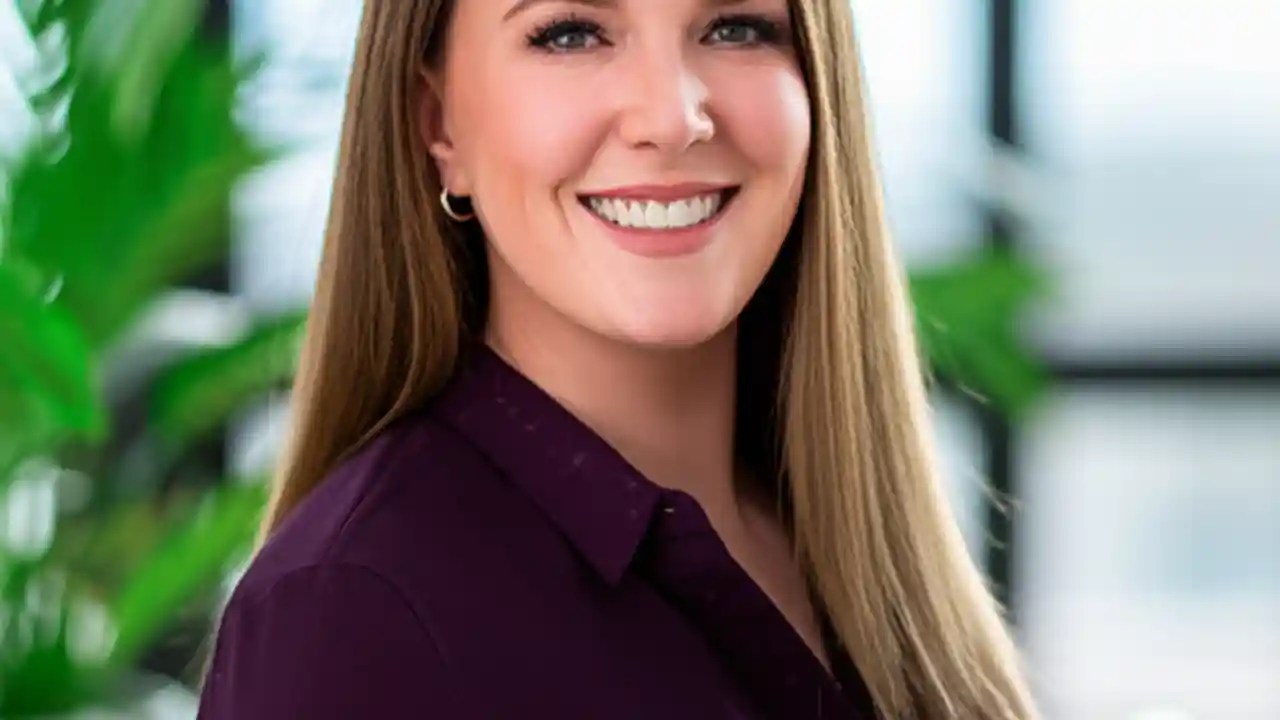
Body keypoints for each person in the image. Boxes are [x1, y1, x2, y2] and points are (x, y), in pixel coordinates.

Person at [197, 0, 1039, 717]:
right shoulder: (351, 617)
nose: (672, 117)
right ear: (437, 123)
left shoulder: (848, 548)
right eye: (571, 33)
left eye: (737, 26)